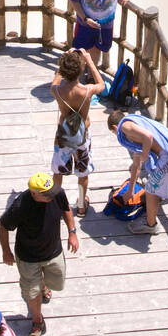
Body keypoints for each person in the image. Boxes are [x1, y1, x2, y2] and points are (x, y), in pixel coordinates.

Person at [0, 172, 78, 336]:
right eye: (46, 194)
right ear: (34, 193)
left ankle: (43, 285)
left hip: (53, 252)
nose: (52, 195)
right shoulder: (21, 205)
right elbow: (3, 225)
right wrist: (6, 251)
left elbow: (66, 208)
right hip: (28, 257)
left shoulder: (56, 193)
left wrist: (72, 232)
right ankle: (37, 322)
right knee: (32, 293)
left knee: (57, 283)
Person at [108, 110, 168, 235]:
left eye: (114, 133)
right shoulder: (134, 130)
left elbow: (148, 137)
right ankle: (152, 207)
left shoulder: (124, 126)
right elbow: (136, 165)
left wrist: (145, 156)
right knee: (153, 187)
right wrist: (130, 191)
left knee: (150, 190)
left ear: (114, 127)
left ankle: (151, 225)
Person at [51, 48, 105, 216]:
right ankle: (81, 205)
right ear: (81, 70)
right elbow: (102, 85)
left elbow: (55, 80)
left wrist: (65, 60)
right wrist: (89, 60)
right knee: (83, 173)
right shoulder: (87, 91)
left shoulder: (57, 90)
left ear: (63, 70)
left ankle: (57, 204)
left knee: (58, 172)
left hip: (63, 136)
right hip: (82, 136)